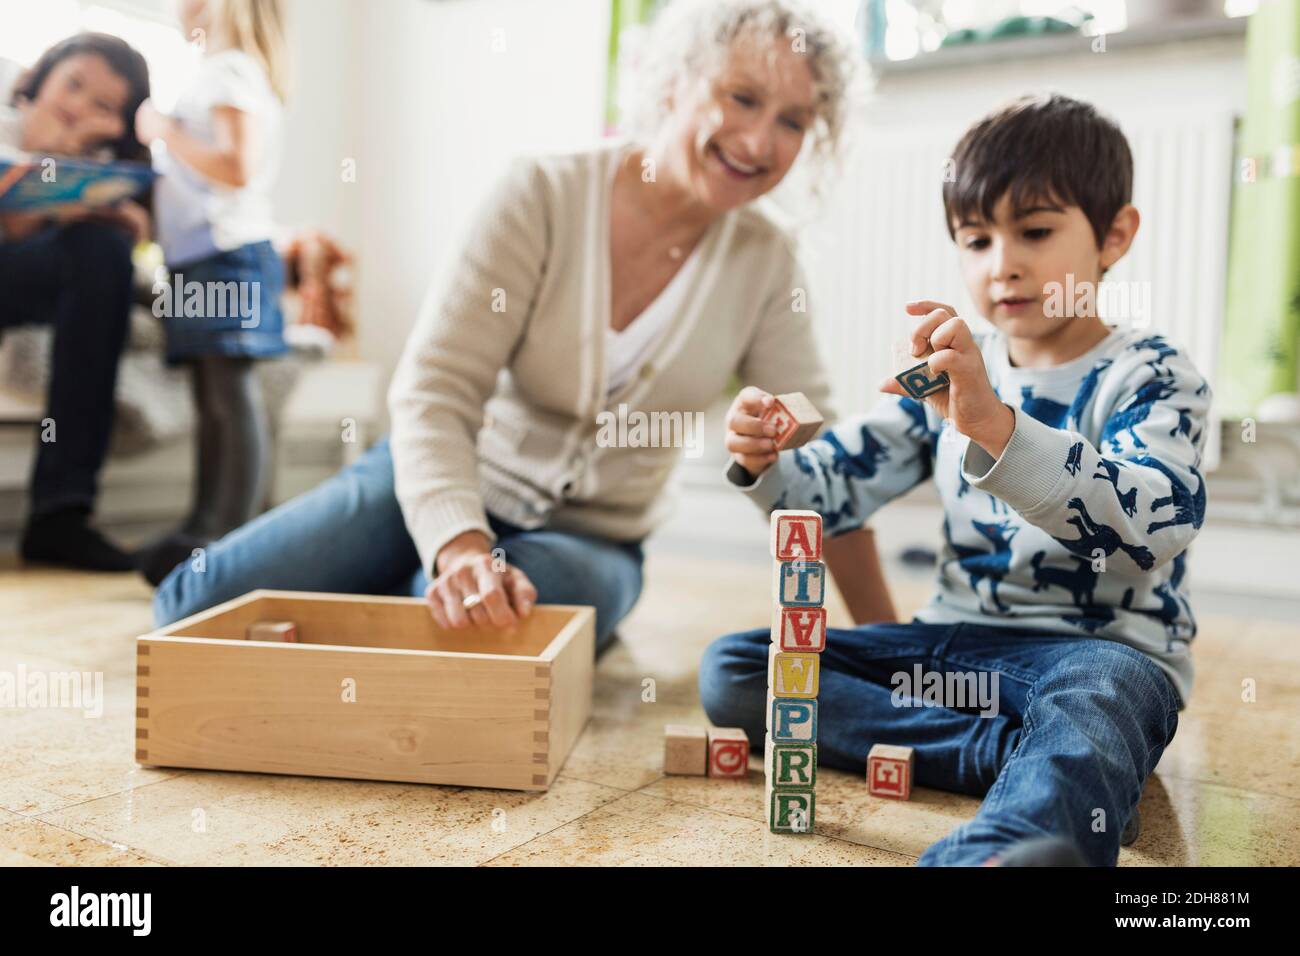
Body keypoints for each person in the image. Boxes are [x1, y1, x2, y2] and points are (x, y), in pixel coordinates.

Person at [152, 0, 888, 653]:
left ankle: (409, 586)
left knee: (473, 638)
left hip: (590, 540)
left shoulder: (767, 259)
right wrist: (459, 542)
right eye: (742, 97)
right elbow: (437, 389)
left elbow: (819, 461)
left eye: (793, 120)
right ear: (674, 81)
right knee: (194, 607)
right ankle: (413, 568)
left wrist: (891, 645)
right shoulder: (543, 191)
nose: (760, 142)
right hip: (449, 474)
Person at [701, 93, 1210, 866]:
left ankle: (1003, 847)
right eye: (975, 240)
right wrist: (764, 460)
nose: (1001, 263)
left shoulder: (1154, 373)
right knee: (740, 669)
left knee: (1100, 699)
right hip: (949, 645)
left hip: (1092, 650)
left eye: (1035, 232)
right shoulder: (947, 366)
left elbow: (1150, 531)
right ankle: (1024, 762)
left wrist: (995, 426)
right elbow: (826, 497)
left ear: (1114, 236)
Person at [134, 0, 291, 584]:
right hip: (200, 258)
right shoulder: (223, 72)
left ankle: (231, 536)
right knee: (211, 398)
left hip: (227, 255)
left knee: (230, 393)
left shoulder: (229, 72)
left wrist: (163, 130)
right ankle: (203, 528)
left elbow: (235, 165)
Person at [0, 33, 152, 571]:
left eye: (104, 105)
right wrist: (50, 156)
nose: (79, 107)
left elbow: (131, 243)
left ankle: (61, 516)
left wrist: (122, 219)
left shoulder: (105, 168)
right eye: (75, 85)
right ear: (42, 79)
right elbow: (13, 225)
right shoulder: (5, 124)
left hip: (41, 277)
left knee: (104, 248)